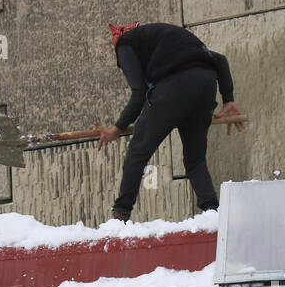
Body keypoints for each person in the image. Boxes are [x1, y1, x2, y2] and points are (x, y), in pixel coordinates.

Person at [95, 21, 247, 221]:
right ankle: (212, 212)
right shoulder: (164, 39)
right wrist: (228, 98)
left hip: (173, 87)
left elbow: (139, 92)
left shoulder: (124, 44)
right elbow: (220, 59)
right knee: (195, 159)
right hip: (205, 85)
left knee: (138, 152)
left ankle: (121, 214)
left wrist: (117, 128)